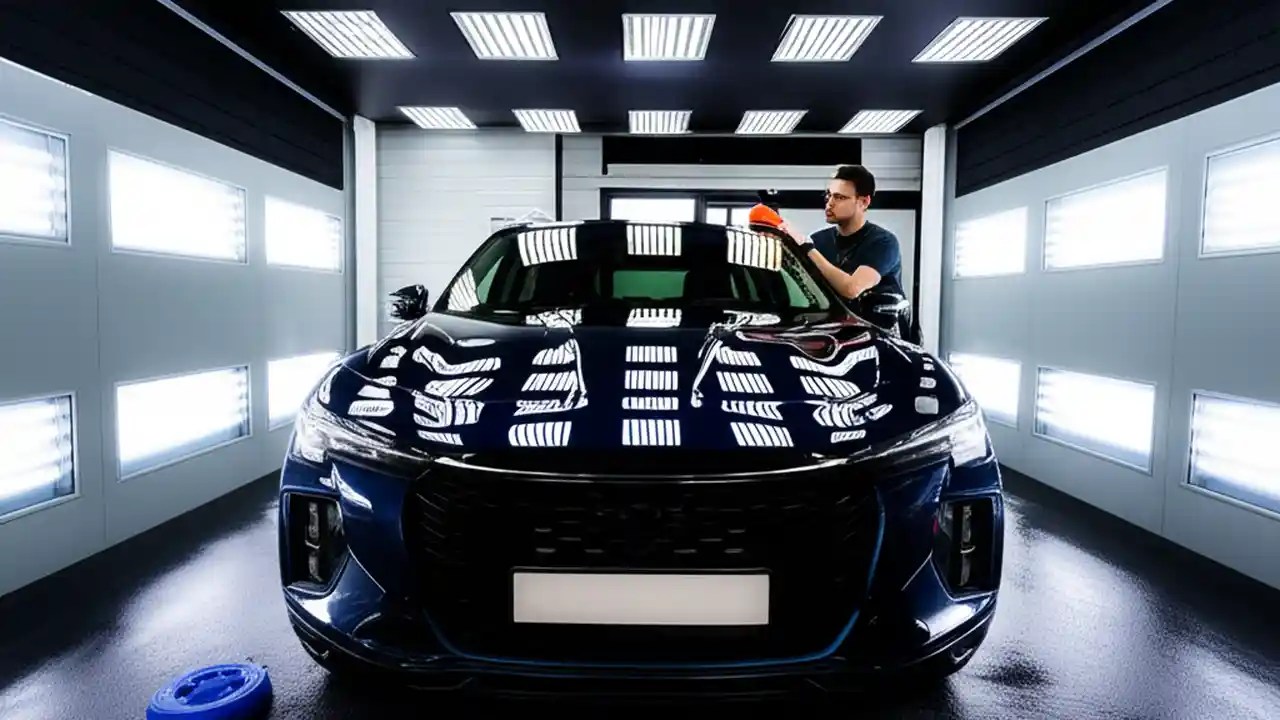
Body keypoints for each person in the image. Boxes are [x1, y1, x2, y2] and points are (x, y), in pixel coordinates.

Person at [776, 165, 913, 338]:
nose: (830, 203)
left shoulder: (883, 242)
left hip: (882, 340)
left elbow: (852, 288)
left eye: (839, 197)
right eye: (828, 195)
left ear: (864, 202)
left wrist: (806, 247)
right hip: (834, 337)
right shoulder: (819, 241)